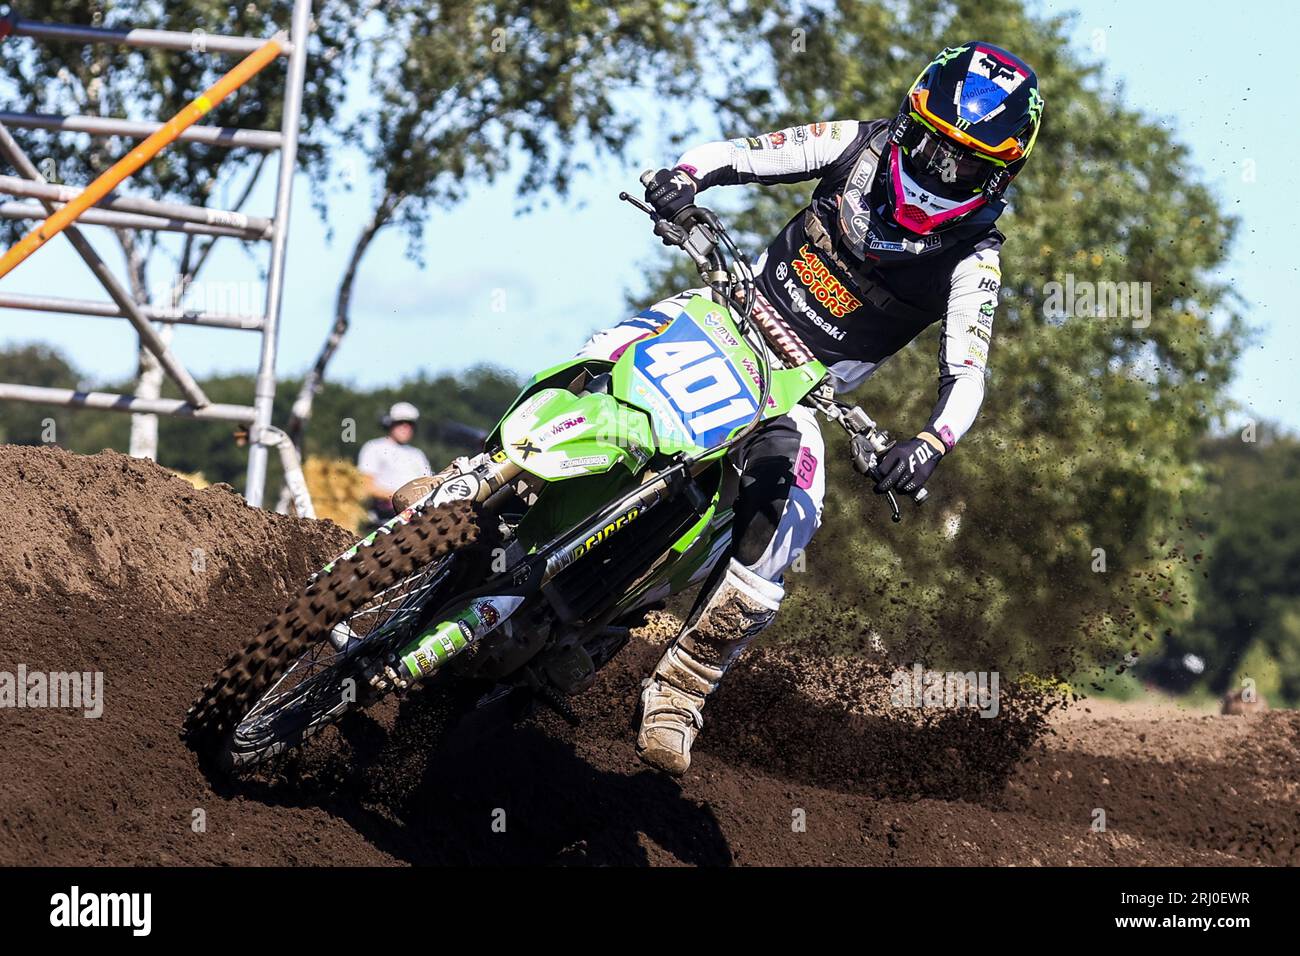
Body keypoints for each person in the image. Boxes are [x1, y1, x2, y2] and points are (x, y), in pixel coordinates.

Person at [576, 42, 1043, 774]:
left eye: (963, 165)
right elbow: (743, 154)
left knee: (789, 519)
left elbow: (968, 372)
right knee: (601, 355)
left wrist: (929, 443)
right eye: (929, 147)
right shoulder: (854, 145)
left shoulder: (973, 259)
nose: (937, 173)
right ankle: (473, 488)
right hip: (723, 314)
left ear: (999, 174)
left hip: (797, 389)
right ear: (906, 123)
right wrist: (684, 179)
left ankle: (681, 690)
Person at [358, 402, 432, 522]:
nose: (406, 428)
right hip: (383, 519)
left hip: (415, 517)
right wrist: (400, 498)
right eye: (401, 423)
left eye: (410, 424)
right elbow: (366, 486)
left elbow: (429, 484)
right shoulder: (374, 447)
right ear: (390, 423)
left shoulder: (418, 454)